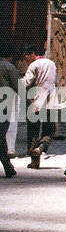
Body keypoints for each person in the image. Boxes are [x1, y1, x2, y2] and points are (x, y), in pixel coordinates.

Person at [23, 42, 58, 169]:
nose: (26, 59)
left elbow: (27, 82)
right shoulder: (52, 63)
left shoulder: (34, 65)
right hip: (51, 101)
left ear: (32, 54)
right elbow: (56, 81)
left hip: (36, 100)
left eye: (26, 56)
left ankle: (34, 159)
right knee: (49, 129)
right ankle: (41, 147)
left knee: (33, 129)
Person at [0, 46, 23, 178]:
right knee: (1, 135)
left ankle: (8, 167)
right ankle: (8, 167)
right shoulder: (9, 67)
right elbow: (17, 86)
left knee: (1, 137)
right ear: (10, 56)